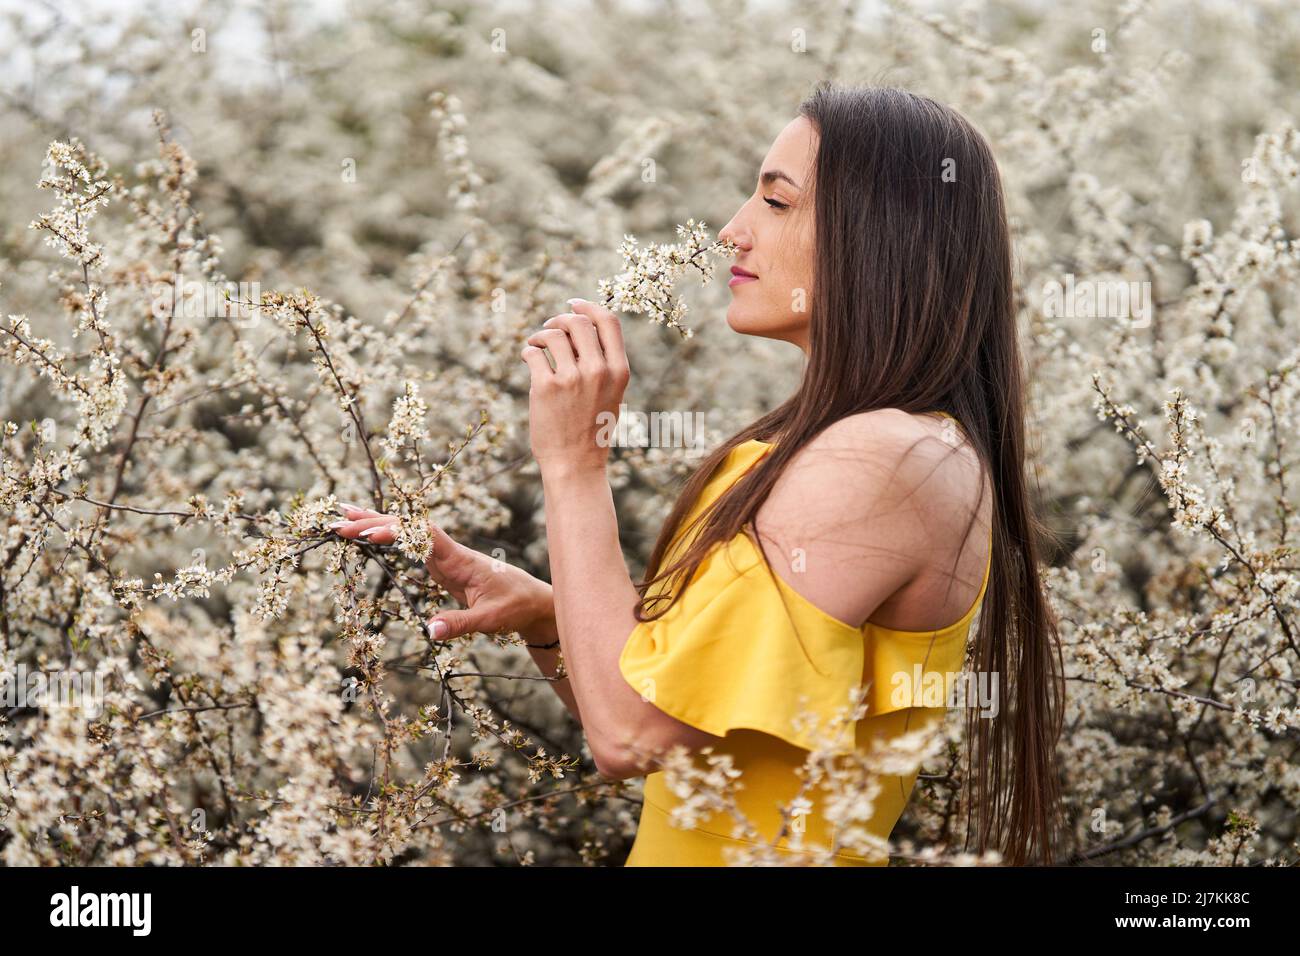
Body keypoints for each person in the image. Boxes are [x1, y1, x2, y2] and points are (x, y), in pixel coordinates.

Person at [331, 81, 1066, 866]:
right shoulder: (825, 449)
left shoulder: (888, 460)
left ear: (881, 235)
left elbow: (628, 736)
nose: (731, 233)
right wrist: (549, 618)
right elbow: (678, 739)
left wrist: (575, 462)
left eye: (776, 203)